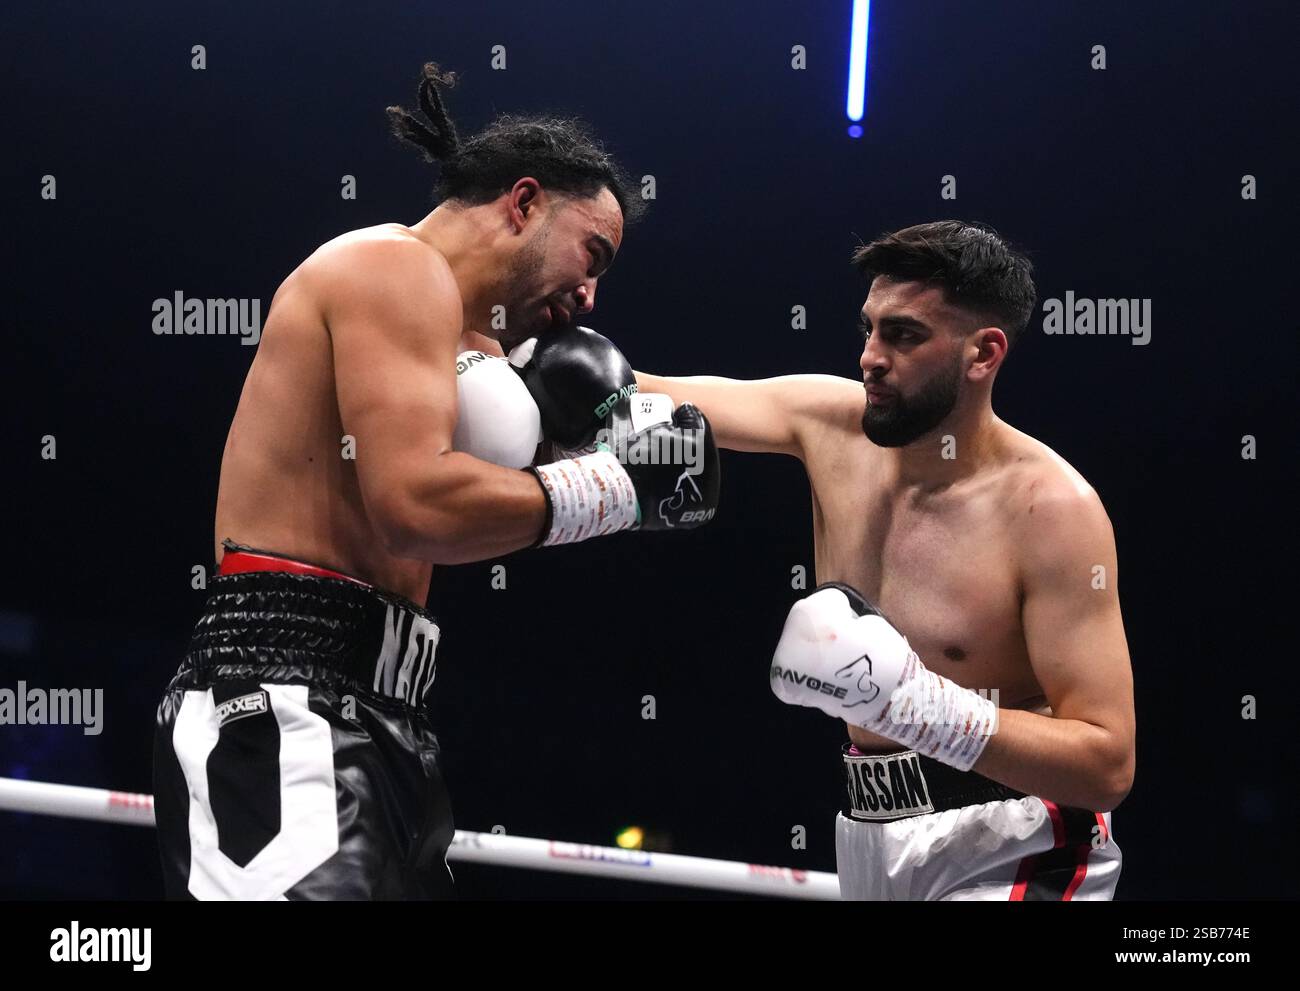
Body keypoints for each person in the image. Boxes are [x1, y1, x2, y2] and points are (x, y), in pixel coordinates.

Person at [152, 63, 719, 900]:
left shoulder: (488, 356)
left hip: (388, 719)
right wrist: (612, 490)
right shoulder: (390, 265)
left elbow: (687, 411)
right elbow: (414, 505)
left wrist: (827, 420)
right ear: (523, 203)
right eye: (591, 254)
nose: (591, 295)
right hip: (280, 697)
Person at [636, 221, 1134, 900]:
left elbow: (1107, 762)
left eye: (903, 335)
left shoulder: (1051, 510)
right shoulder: (827, 424)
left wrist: (919, 707)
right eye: (868, 328)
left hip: (1016, 841)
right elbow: (634, 395)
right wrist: (493, 346)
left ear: (983, 353)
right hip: (869, 829)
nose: (869, 356)